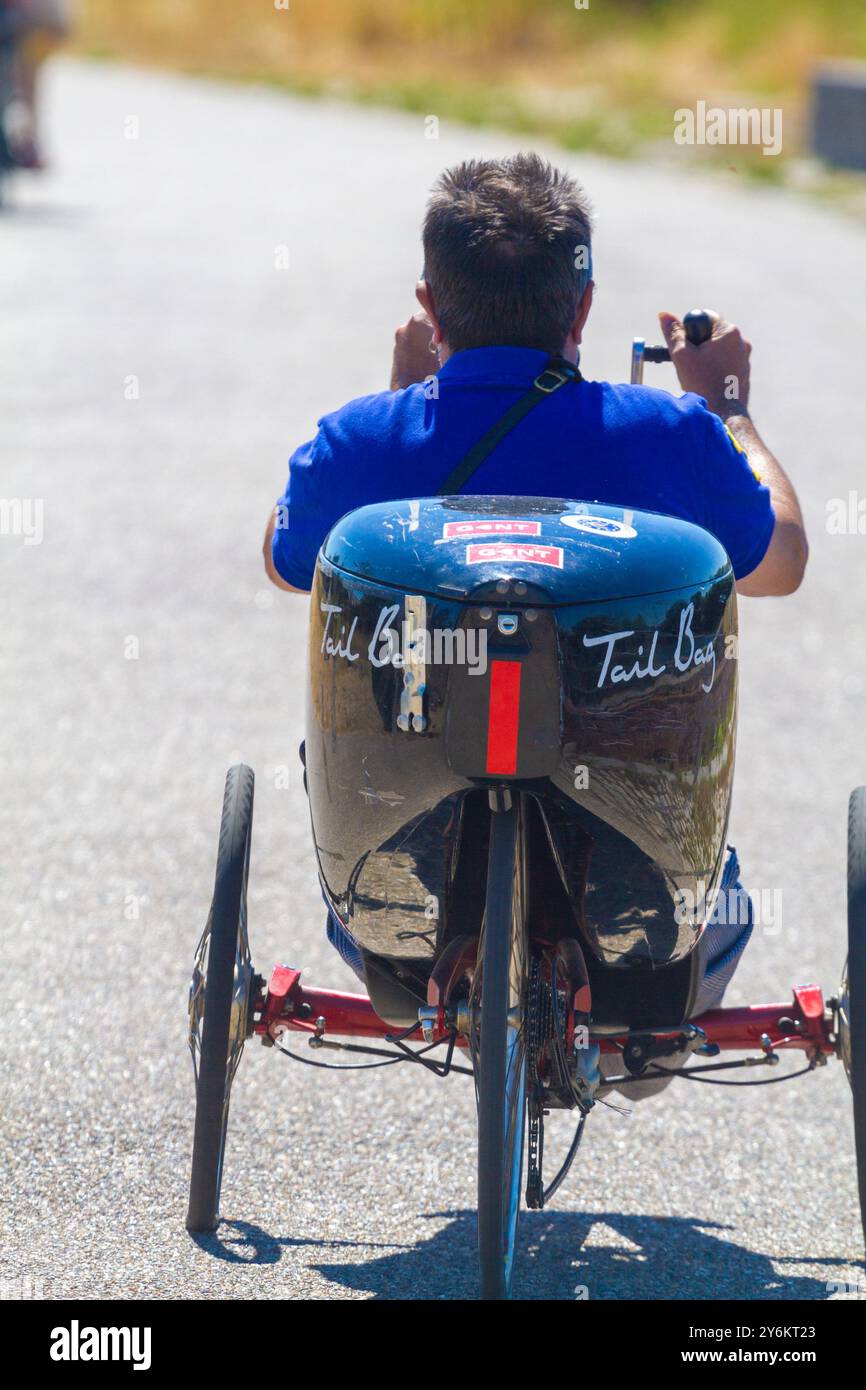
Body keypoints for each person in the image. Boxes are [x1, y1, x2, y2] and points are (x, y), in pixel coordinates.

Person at [263, 154, 808, 1084]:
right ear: (582, 311)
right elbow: (781, 565)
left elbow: (287, 566)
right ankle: (639, 1022)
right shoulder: (667, 433)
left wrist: (398, 402)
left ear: (432, 306)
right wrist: (729, 410)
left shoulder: (359, 439)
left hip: (405, 885)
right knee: (728, 882)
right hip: (631, 864)